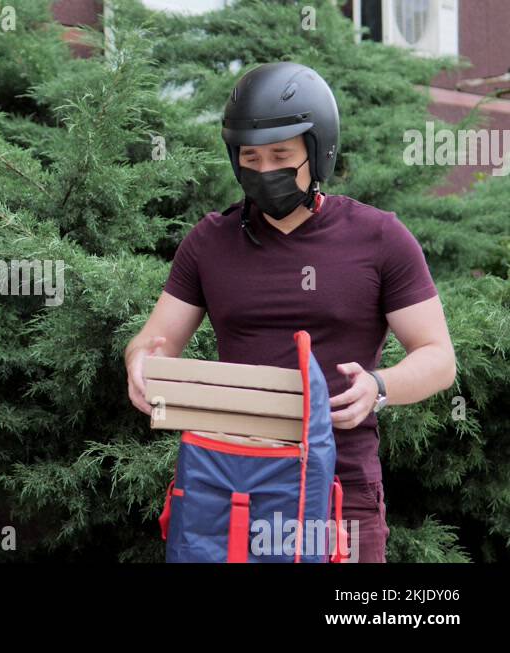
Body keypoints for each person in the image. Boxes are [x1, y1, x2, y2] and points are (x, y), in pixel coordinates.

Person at [125, 62, 456, 563]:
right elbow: (154, 342)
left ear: (318, 149)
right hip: (232, 486)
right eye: (250, 157)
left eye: (281, 154)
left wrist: (379, 387)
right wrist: (138, 363)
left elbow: (438, 358)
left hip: (342, 490)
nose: (264, 170)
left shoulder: (380, 238)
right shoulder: (209, 241)